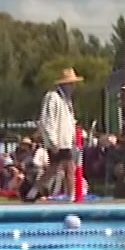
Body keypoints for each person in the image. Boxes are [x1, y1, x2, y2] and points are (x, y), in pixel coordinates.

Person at [38, 67, 81, 199]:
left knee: (57, 169)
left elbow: (69, 121)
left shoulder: (67, 100)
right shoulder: (53, 97)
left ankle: (33, 191)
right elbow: (48, 120)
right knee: (66, 168)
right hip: (58, 141)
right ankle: (70, 197)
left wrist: (74, 138)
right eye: (70, 83)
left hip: (66, 140)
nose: (73, 86)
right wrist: (52, 141)